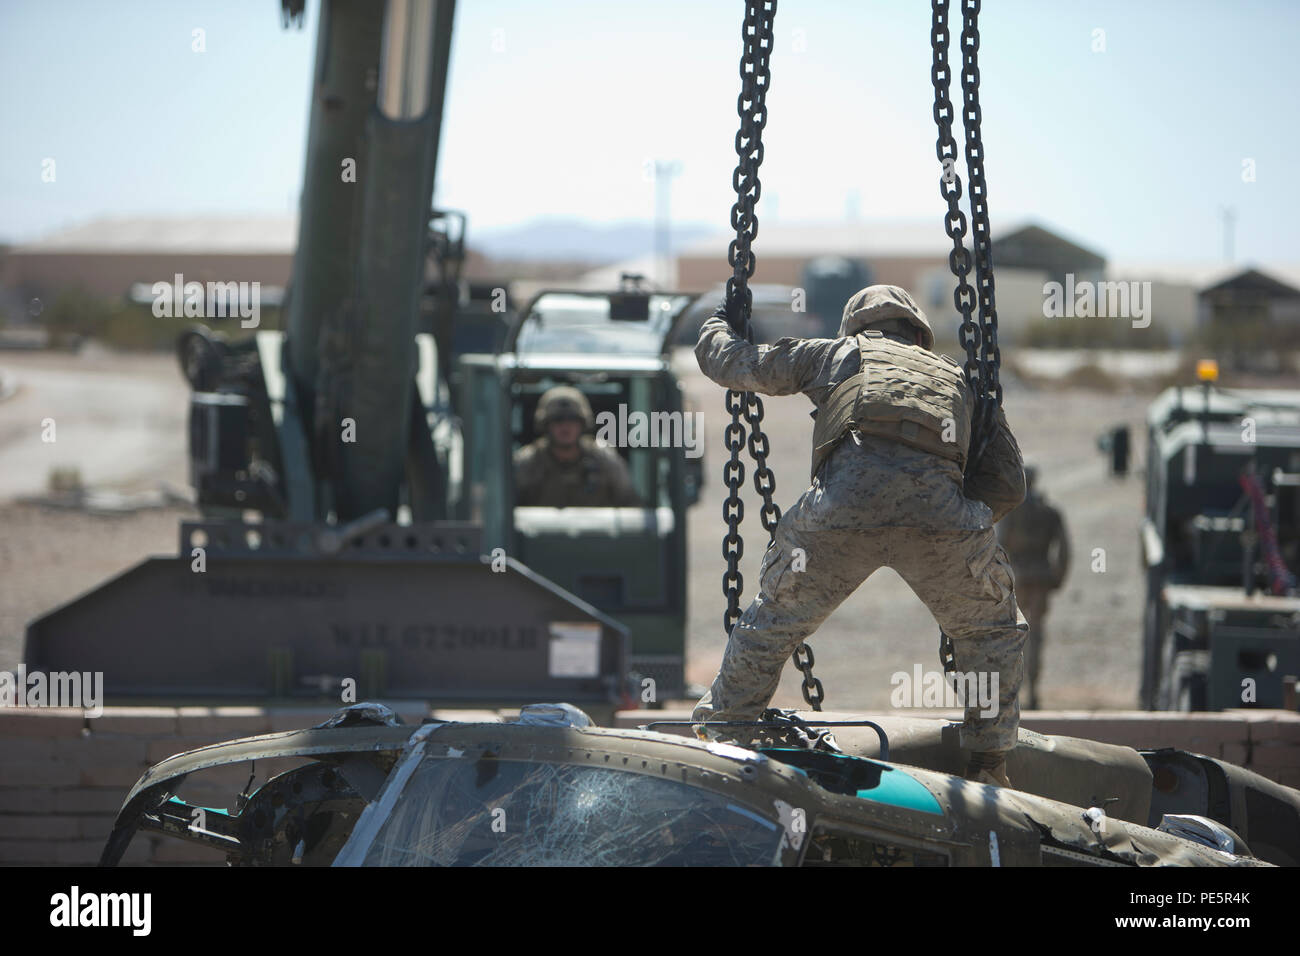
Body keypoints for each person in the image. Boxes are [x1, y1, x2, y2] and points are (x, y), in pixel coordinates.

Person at [691, 285, 1028, 787]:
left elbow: (730, 363)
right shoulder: (957, 378)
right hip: (942, 519)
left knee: (771, 626)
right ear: (918, 333)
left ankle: (721, 743)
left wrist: (719, 321)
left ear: (854, 329)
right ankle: (989, 763)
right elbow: (1008, 482)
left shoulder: (833, 354)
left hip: (837, 515)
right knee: (989, 633)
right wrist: (957, 530)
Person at [996, 464, 1070, 710]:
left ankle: (1012, 691)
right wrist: (1057, 578)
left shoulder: (1009, 513)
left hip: (1015, 581)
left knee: (1012, 636)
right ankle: (1033, 689)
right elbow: (1065, 551)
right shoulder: (1049, 512)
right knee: (1035, 635)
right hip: (1040, 580)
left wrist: (999, 580)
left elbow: (998, 546)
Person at [514, 385, 642, 508]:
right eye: (558, 420)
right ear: (545, 424)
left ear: (583, 423)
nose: (565, 427)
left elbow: (630, 505)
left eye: (572, 419)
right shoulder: (527, 462)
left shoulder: (603, 459)